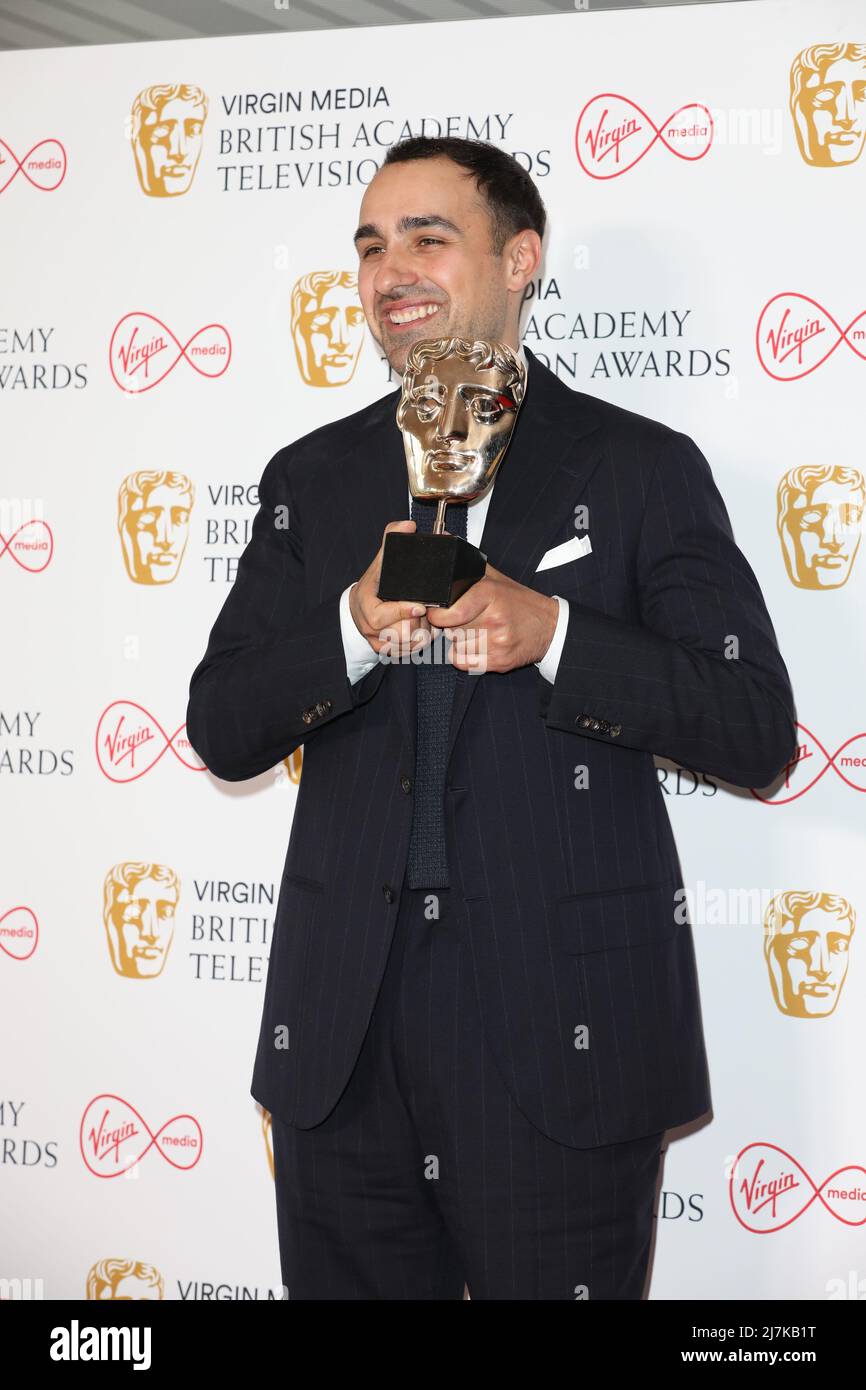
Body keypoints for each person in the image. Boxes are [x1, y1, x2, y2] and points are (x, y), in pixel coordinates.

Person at [185, 136, 797, 1300]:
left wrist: (556, 634)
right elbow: (222, 722)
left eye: (426, 237)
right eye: (369, 245)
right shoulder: (310, 479)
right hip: (342, 1038)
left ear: (520, 258)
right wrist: (351, 628)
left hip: (556, 1034)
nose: (388, 269)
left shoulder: (636, 466)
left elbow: (752, 725)